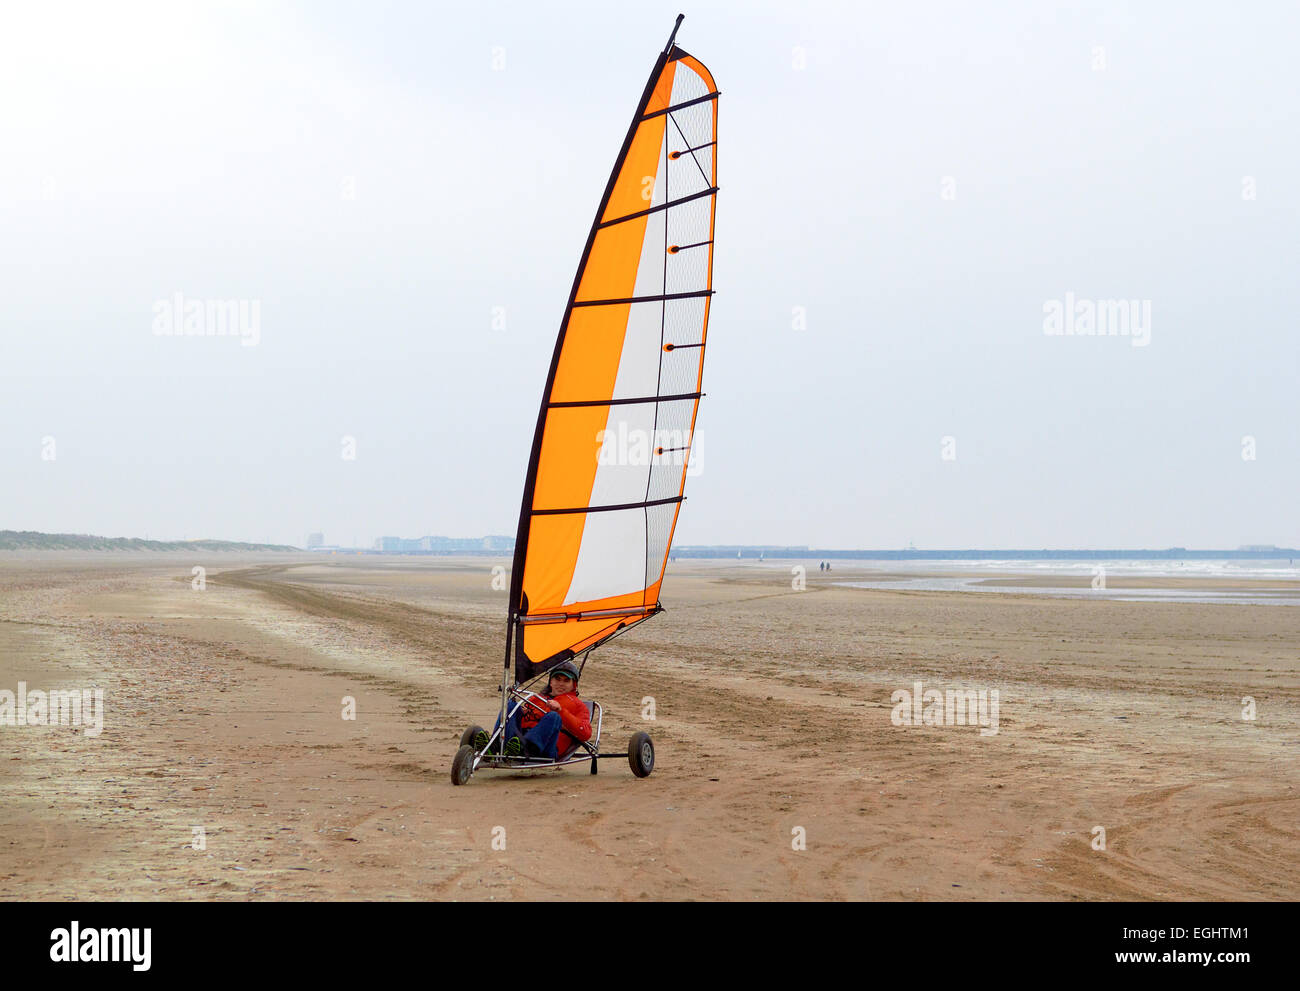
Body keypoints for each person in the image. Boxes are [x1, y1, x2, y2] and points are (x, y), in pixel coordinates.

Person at [476, 661, 592, 760]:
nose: (561, 684)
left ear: (574, 685)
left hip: (546, 748)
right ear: (551, 681)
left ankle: (523, 749)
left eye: (566, 681)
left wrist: (561, 711)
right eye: (557, 679)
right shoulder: (536, 698)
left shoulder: (579, 705)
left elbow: (585, 734)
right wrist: (520, 712)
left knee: (553, 717)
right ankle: (493, 747)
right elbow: (520, 719)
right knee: (511, 705)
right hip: (518, 741)